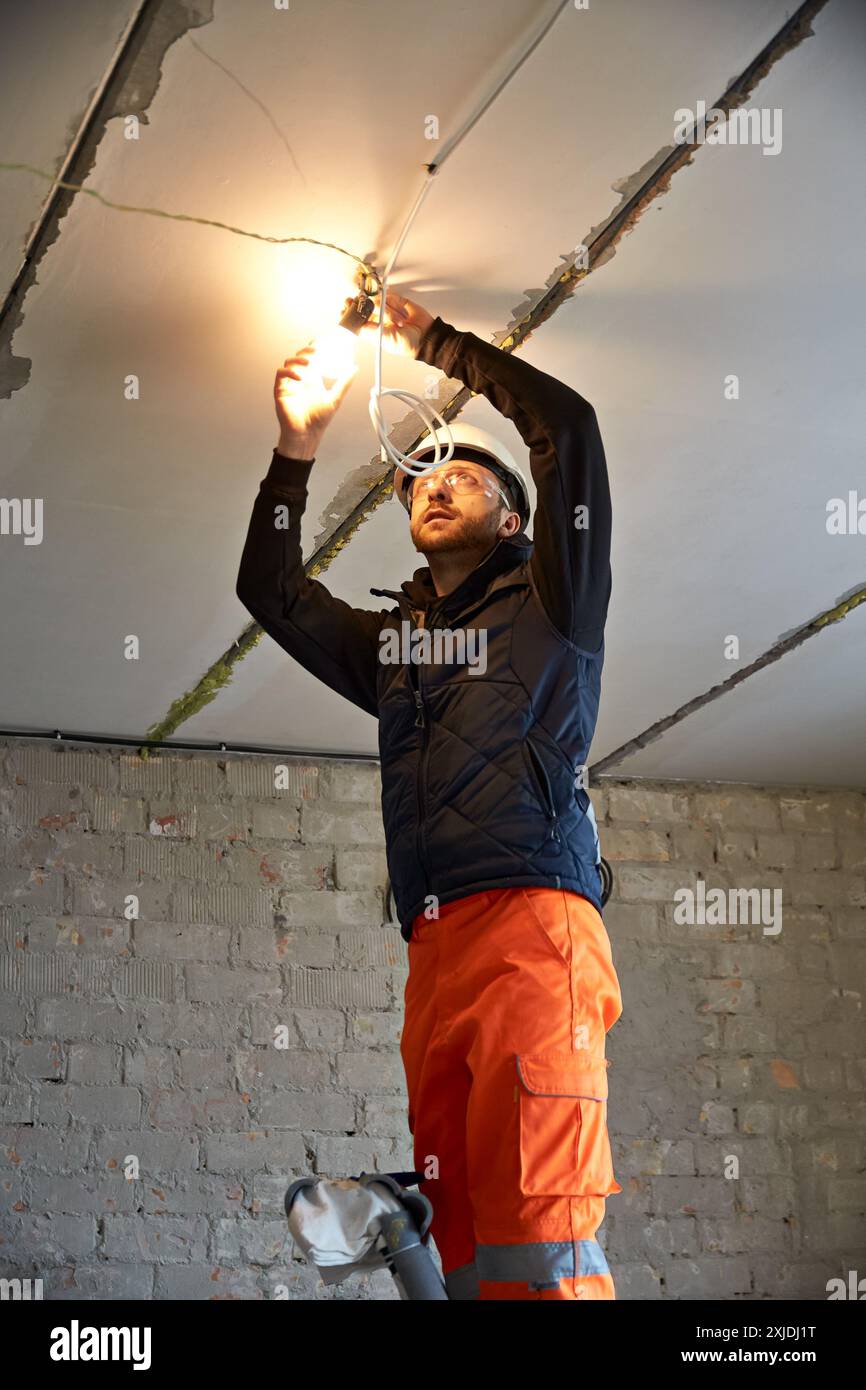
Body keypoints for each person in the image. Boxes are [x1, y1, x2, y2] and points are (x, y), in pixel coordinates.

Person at [236, 289, 623, 1300]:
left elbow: (568, 429)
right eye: (416, 480)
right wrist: (295, 445)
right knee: (461, 1233)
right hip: (433, 947)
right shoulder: (398, 651)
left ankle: (397, 1224)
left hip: (533, 928)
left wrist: (434, 342)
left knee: (538, 1220)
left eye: (461, 472)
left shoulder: (552, 603)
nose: (431, 483)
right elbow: (268, 595)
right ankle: (406, 1232)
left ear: (510, 515)